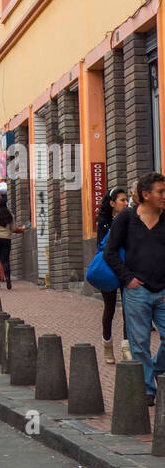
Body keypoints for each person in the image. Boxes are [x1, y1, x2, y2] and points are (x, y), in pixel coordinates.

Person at [104, 172, 165, 405]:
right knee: (139, 343)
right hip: (137, 291)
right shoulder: (127, 218)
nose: (164, 196)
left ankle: (156, 370)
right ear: (145, 194)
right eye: (160, 192)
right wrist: (127, 278)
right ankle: (148, 389)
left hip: (163, 291)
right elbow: (110, 252)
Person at [96, 185, 129, 364]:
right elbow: (102, 247)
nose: (126, 203)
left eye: (127, 200)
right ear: (112, 203)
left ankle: (126, 348)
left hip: (126, 268)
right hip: (108, 269)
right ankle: (107, 346)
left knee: (128, 309)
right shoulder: (104, 223)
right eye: (122, 200)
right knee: (109, 309)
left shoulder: (130, 219)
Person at [0, 196, 25, 289]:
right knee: (5, 260)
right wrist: (22, 229)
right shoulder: (10, 214)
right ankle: (8, 278)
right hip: (6, 239)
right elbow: (13, 229)